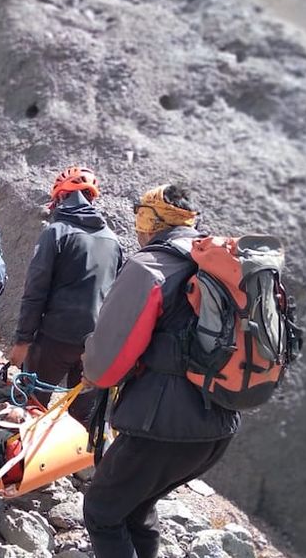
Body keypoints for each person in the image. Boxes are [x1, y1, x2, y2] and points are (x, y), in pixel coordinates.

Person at [81, 184, 241, 558]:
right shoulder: (218, 266)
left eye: (140, 215)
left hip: (161, 427)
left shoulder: (151, 266)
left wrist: (90, 371)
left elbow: (106, 361)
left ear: (151, 219)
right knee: (136, 509)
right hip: (217, 425)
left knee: (102, 512)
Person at [8, 166, 122, 424]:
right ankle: (66, 464)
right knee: (80, 418)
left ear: (61, 197)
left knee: (29, 405)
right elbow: (115, 297)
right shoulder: (113, 241)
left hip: (54, 339)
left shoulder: (57, 232)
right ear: (92, 199)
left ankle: (21, 461)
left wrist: (22, 341)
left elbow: (35, 290)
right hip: (93, 344)